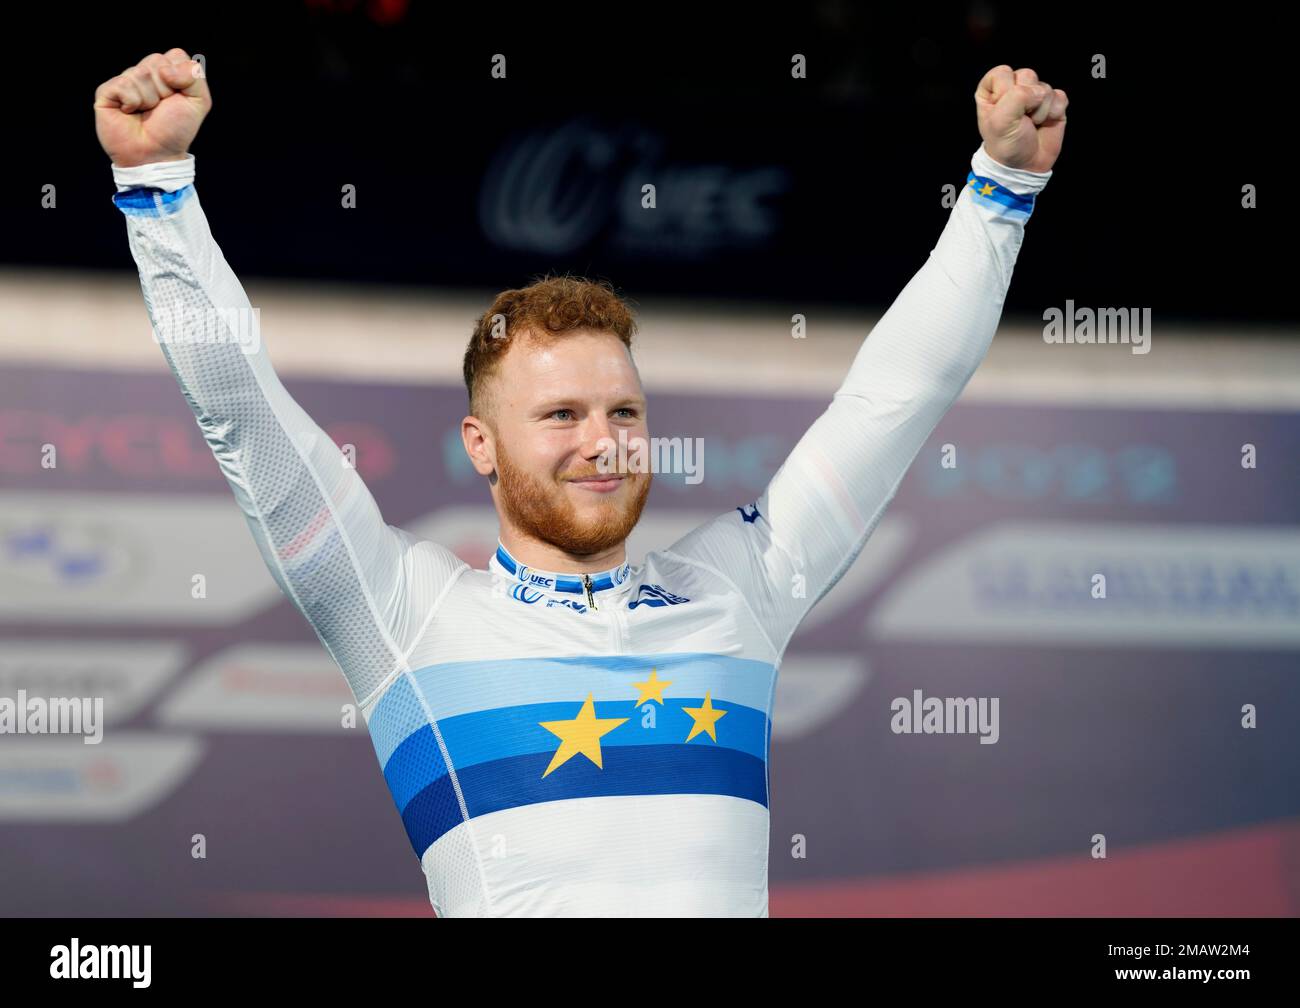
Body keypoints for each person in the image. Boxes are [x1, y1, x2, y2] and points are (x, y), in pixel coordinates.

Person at [94, 49, 1066, 917]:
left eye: (624, 413)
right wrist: (157, 189)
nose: (603, 443)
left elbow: (890, 403)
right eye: (560, 417)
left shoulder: (738, 587)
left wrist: (999, 192)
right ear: (479, 445)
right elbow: (243, 413)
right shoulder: (401, 614)